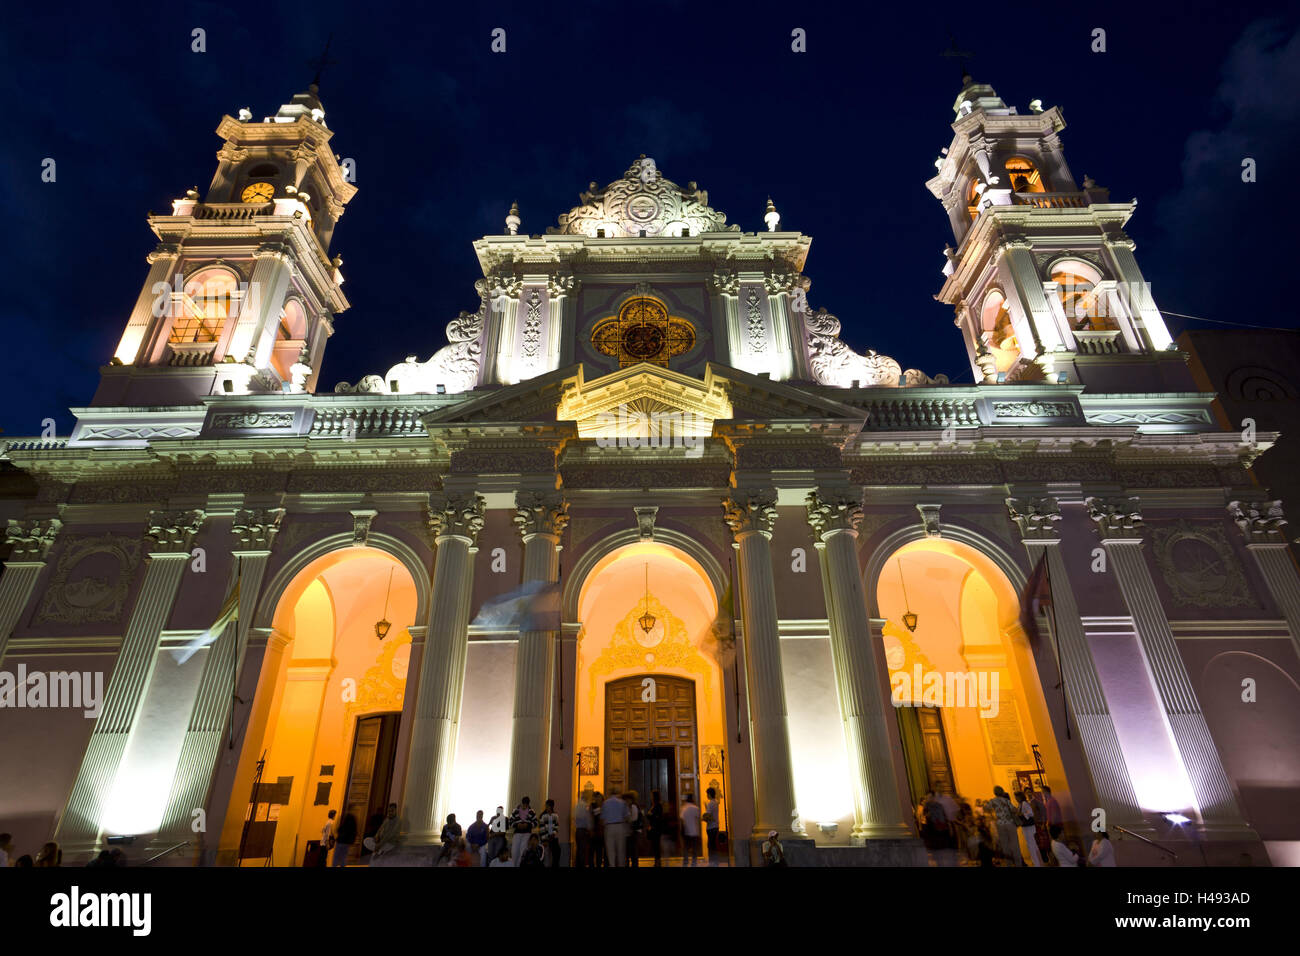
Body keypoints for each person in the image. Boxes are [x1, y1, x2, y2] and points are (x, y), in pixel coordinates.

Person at [987, 787, 1022, 866]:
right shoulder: (1006, 801)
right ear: (1002, 792)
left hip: (1000, 825)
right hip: (1010, 824)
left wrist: (994, 814)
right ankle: (1018, 864)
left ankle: (1009, 864)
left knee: (1005, 846)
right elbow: (1014, 810)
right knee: (1015, 845)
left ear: (994, 793)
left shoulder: (992, 801)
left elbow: (986, 808)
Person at [1015, 790, 1043, 866]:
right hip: (1026, 827)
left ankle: (1037, 863)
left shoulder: (1024, 803)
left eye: (1017, 797)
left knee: (1032, 845)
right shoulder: (1020, 804)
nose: (1016, 799)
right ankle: (1037, 862)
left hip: (1029, 827)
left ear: (1020, 797)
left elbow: (1031, 813)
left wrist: (1022, 814)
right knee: (1031, 845)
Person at [601, 789, 628, 867]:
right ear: (618, 793)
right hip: (620, 826)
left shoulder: (605, 803)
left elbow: (602, 818)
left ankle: (612, 865)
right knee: (621, 850)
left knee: (610, 851)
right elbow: (626, 816)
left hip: (609, 827)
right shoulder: (622, 803)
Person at [511, 797, 536, 866]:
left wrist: (528, 825)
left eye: (526, 805)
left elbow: (535, 823)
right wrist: (517, 825)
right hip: (517, 833)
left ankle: (521, 865)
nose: (525, 806)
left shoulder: (532, 811)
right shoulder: (515, 811)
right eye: (524, 805)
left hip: (527, 833)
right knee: (514, 851)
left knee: (523, 851)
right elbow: (511, 822)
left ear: (528, 804)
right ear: (522, 803)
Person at [573, 787, 594, 868]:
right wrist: (590, 829)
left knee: (579, 850)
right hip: (583, 831)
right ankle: (581, 865)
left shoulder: (577, 805)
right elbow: (588, 818)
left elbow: (573, 817)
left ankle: (577, 865)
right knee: (583, 850)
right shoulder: (586, 806)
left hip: (578, 830)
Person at [680, 794, 702, 866]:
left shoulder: (683, 808)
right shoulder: (695, 808)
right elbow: (698, 817)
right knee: (694, 849)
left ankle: (685, 862)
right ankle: (694, 863)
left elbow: (682, 819)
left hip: (687, 831)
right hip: (694, 832)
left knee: (686, 848)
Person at [538, 799, 561, 868]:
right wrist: (544, 840)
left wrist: (553, 833)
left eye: (548, 805)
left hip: (552, 838)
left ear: (551, 806)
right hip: (545, 839)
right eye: (546, 805)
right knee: (546, 857)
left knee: (556, 854)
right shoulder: (542, 815)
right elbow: (542, 829)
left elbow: (556, 826)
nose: (546, 807)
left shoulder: (555, 815)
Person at [647, 790, 665, 867]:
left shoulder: (658, 805)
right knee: (655, 846)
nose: (650, 797)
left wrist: (650, 815)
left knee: (656, 846)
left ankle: (658, 862)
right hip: (654, 828)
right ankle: (657, 861)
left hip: (656, 829)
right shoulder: (653, 805)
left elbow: (658, 817)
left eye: (652, 795)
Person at [704, 787, 721, 866]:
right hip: (716, 826)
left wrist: (703, 818)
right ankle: (715, 862)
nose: (707, 795)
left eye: (707, 793)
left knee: (710, 846)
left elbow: (708, 816)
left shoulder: (710, 803)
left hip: (711, 827)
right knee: (714, 845)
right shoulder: (716, 802)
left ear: (710, 794)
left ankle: (712, 863)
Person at [625, 792, 641, 867]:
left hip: (634, 831)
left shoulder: (633, 807)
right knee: (629, 851)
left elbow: (634, 818)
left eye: (627, 800)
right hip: (629, 832)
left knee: (633, 851)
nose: (626, 801)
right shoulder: (628, 807)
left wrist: (627, 820)